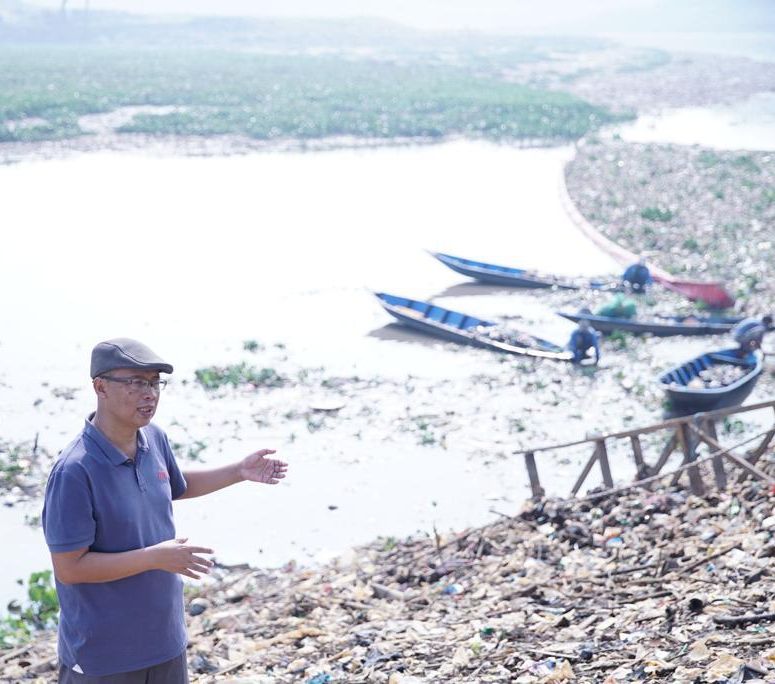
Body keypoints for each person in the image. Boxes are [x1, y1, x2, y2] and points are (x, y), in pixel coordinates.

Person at [42, 338, 288, 683]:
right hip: (104, 654)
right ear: (100, 387)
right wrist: (155, 557)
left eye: (155, 383)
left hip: (164, 641)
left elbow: (172, 484)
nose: (150, 393)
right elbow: (69, 568)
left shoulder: (152, 437)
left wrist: (237, 472)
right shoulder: (74, 471)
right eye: (136, 383)